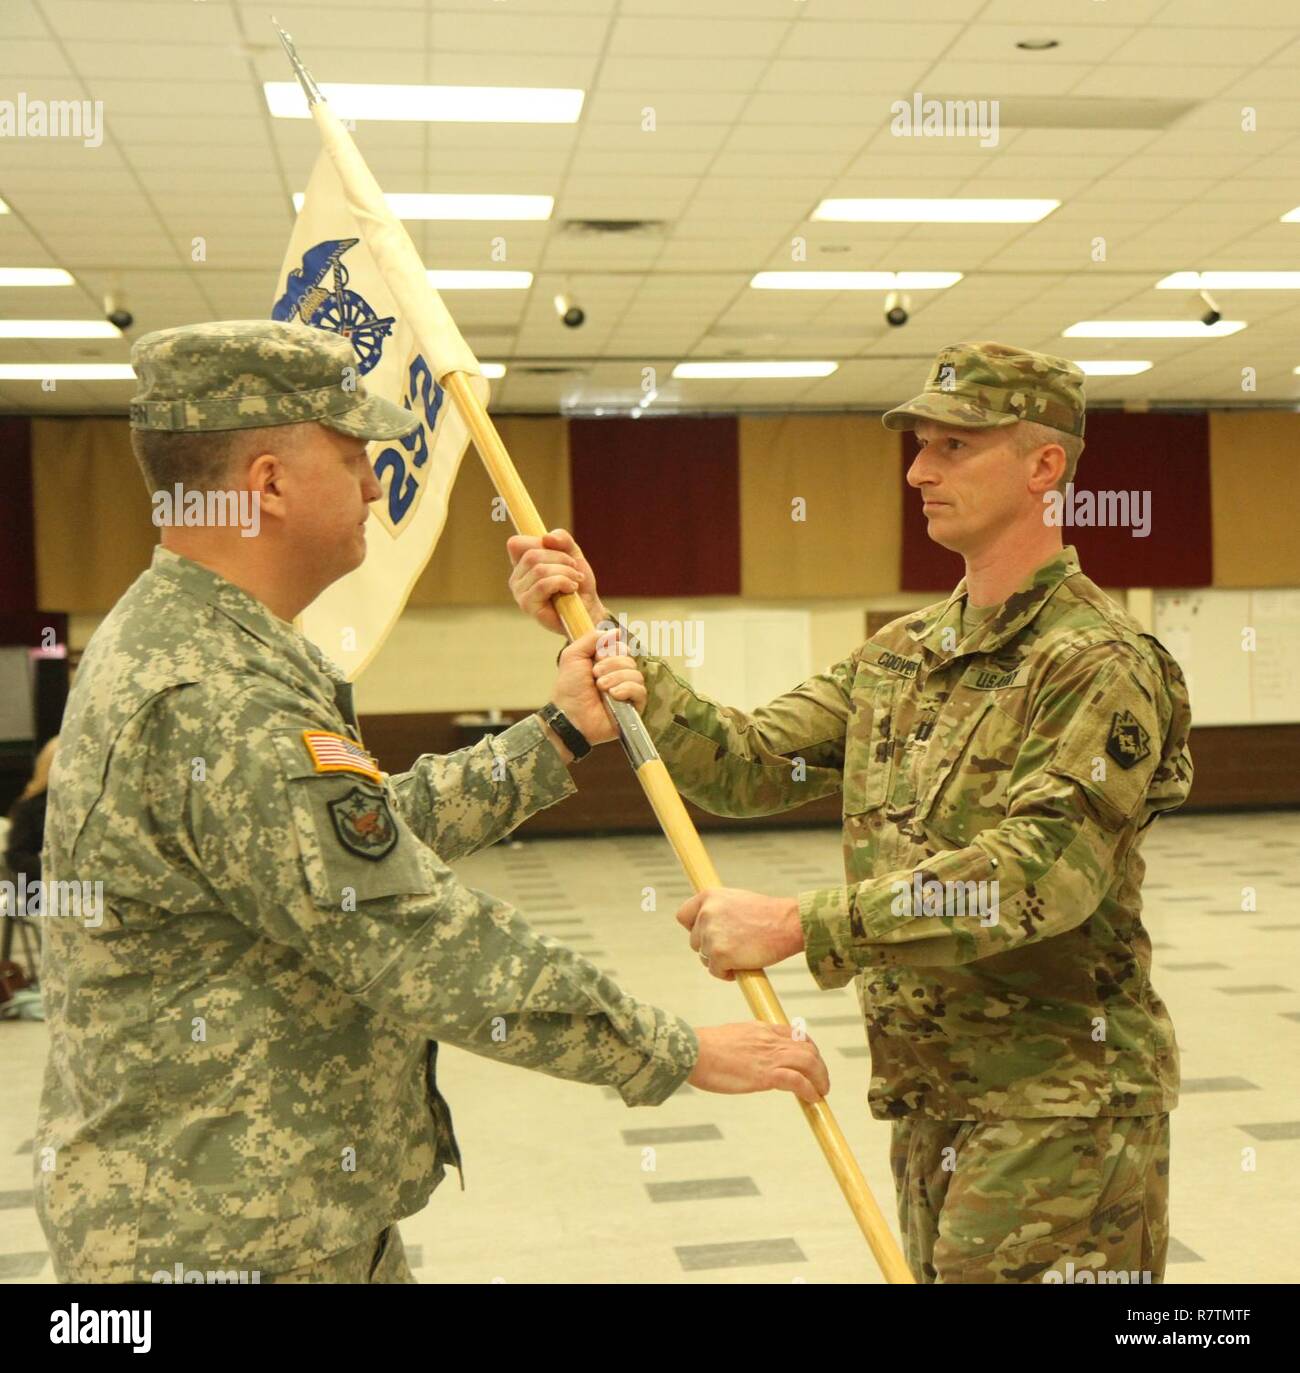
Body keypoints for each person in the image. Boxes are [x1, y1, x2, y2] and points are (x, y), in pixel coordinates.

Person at [35, 320, 828, 1286]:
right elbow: (414, 933)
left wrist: (560, 735)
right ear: (268, 483)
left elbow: (366, 837)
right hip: (221, 1244)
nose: (375, 484)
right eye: (352, 453)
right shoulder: (214, 694)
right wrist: (669, 1048)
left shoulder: (209, 648)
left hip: (280, 1221)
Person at [508, 341, 1193, 1285]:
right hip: (933, 1099)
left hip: (1060, 1111)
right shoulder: (903, 653)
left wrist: (798, 925)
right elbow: (747, 765)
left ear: (1045, 466)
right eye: (919, 445)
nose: (918, 470)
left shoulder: (1094, 661)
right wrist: (601, 625)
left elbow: (1042, 874)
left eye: (954, 446)